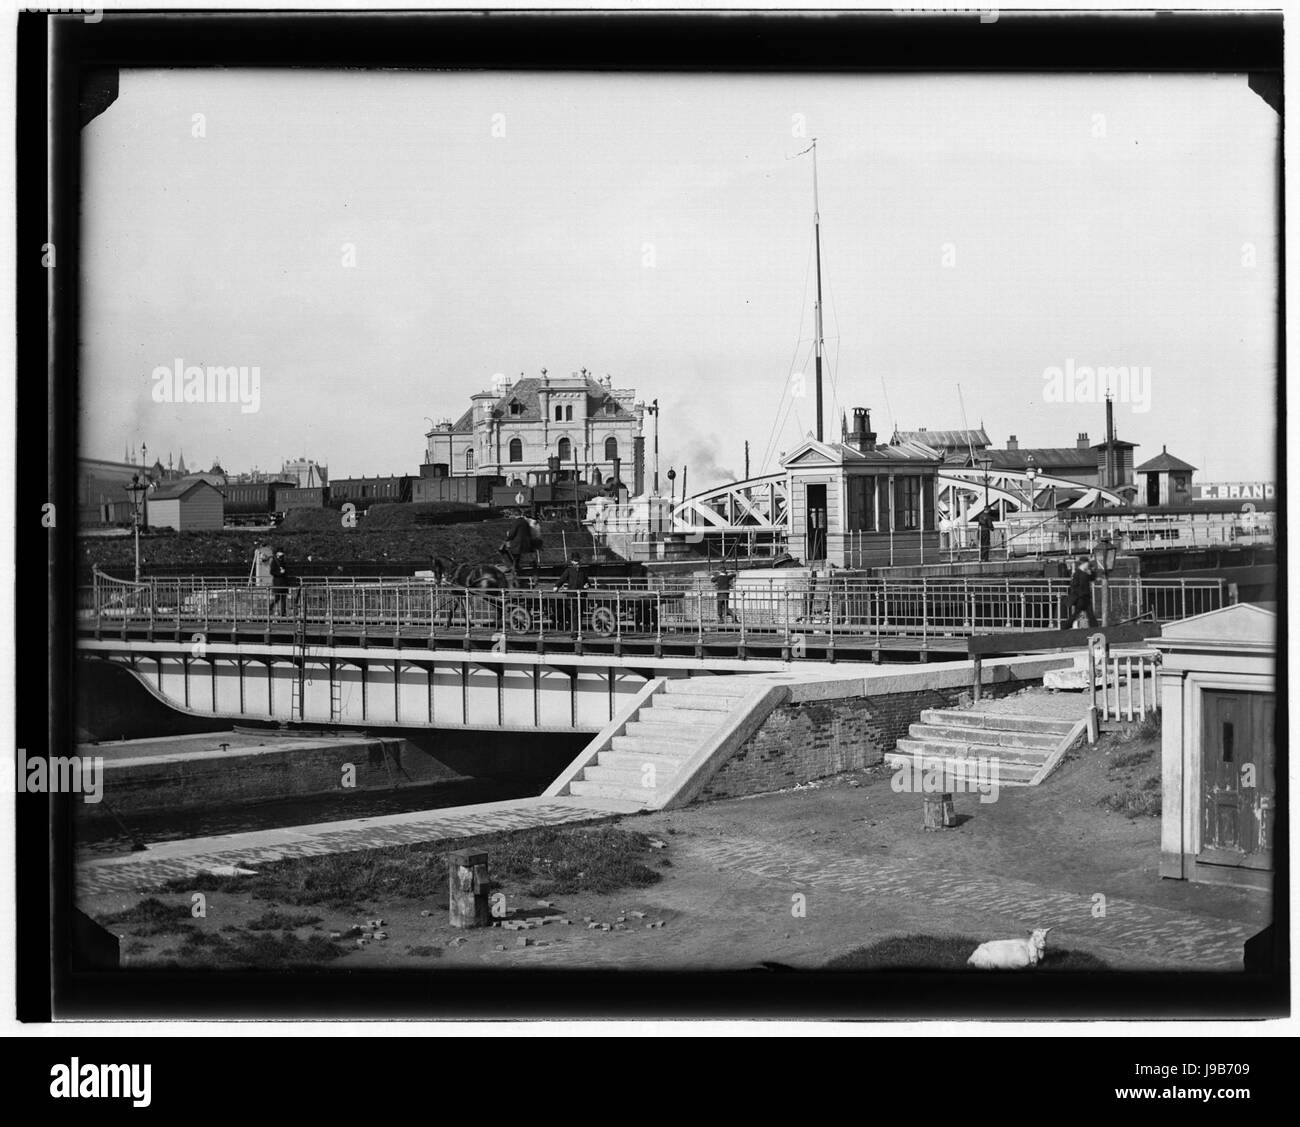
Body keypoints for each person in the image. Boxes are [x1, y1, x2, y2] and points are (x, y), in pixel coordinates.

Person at [552, 553, 588, 634]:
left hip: (581, 596)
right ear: (572, 562)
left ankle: (578, 632)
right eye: (575, 561)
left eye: (578, 561)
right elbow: (562, 579)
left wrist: (587, 585)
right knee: (575, 614)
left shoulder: (583, 571)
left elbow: (587, 582)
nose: (577, 562)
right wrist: (556, 586)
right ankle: (574, 633)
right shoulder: (569, 570)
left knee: (580, 614)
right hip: (572, 596)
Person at [1066, 557, 1097, 628]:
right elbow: (1074, 585)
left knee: (1090, 614)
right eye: (1087, 564)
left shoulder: (1085, 572)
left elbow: (1092, 578)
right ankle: (1065, 626)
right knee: (1077, 614)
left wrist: (1093, 571)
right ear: (1083, 564)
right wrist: (1080, 594)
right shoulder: (1077, 573)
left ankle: (1095, 628)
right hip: (1081, 597)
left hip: (1086, 597)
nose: (1088, 565)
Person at [271, 550, 291, 616]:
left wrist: (284, 572)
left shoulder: (283, 562)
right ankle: (271, 606)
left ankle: (283, 612)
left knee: (283, 598)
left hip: (284, 583)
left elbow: (287, 571)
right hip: (278, 583)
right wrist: (280, 572)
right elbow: (272, 572)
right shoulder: (274, 562)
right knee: (277, 598)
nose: (282, 557)